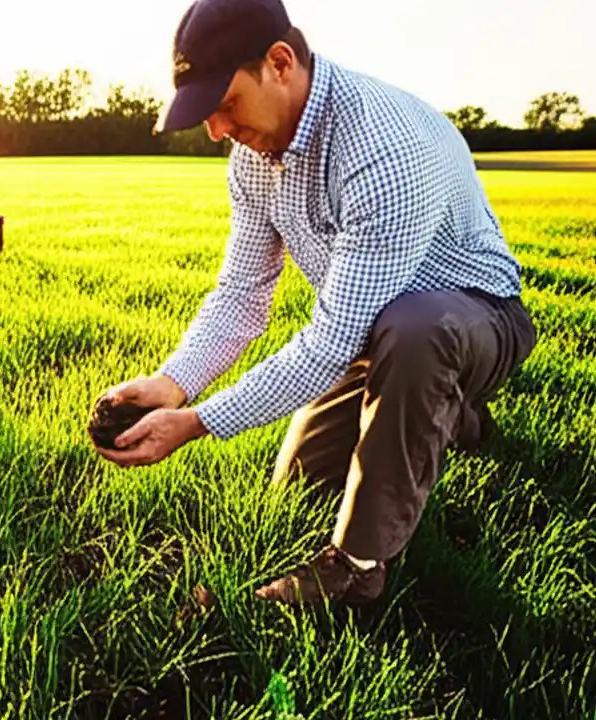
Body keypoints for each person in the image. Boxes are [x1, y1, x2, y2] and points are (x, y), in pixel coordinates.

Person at [93, 0, 537, 606]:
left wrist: (195, 424)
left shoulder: (382, 144)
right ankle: (454, 419)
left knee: (416, 330)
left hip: (472, 318)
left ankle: (358, 569)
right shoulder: (253, 159)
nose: (216, 131)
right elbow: (242, 293)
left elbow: (330, 342)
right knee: (298, 484)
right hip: (369, 333)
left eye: (224, 106)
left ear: (280, 63)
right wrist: (172, 384)